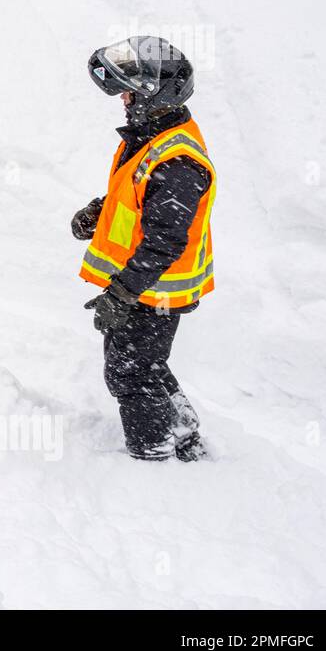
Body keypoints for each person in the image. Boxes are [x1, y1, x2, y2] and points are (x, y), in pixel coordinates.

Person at [72, 36, 215, 462]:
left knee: (130, 371)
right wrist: (101, 211)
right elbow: (142, 200)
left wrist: (121, 294)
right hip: (143, 286)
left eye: (130, 93)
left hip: (154, 290)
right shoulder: (152, 137)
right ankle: (184, 436)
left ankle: (154, 456)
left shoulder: (176, 160)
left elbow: (165, 239)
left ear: (155, 97)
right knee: (144, 365)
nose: (123, 100)